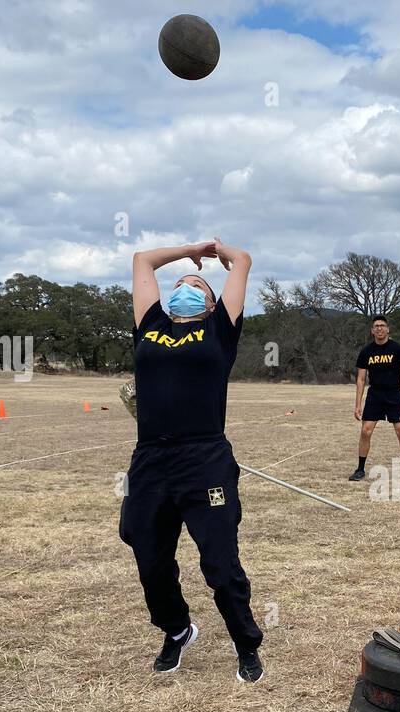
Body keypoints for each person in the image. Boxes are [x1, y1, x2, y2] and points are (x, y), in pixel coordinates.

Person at [120, 237, 264, 681]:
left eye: (196, 285)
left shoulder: (220, 329)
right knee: (144, 546)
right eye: (180, 282)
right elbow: (142, 260)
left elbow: (242, 261)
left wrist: (218, 254)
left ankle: (245, 643)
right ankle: (177, 628)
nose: (185, 284)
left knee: (219, 562)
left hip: (205, 459)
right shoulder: (152, 324)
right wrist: (187, 252)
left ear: (209, 301)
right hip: (151, 459)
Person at [349, 315, 400, 482]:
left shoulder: (397, 349)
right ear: (372, 331)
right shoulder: (366, 351)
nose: (379, 328)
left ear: (388, 329)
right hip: (375, 395)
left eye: (382, 325)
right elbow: (361, 379)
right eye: (376, 326)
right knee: (365, 431)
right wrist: (358, 404)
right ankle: (360, 469)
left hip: (394, 394)